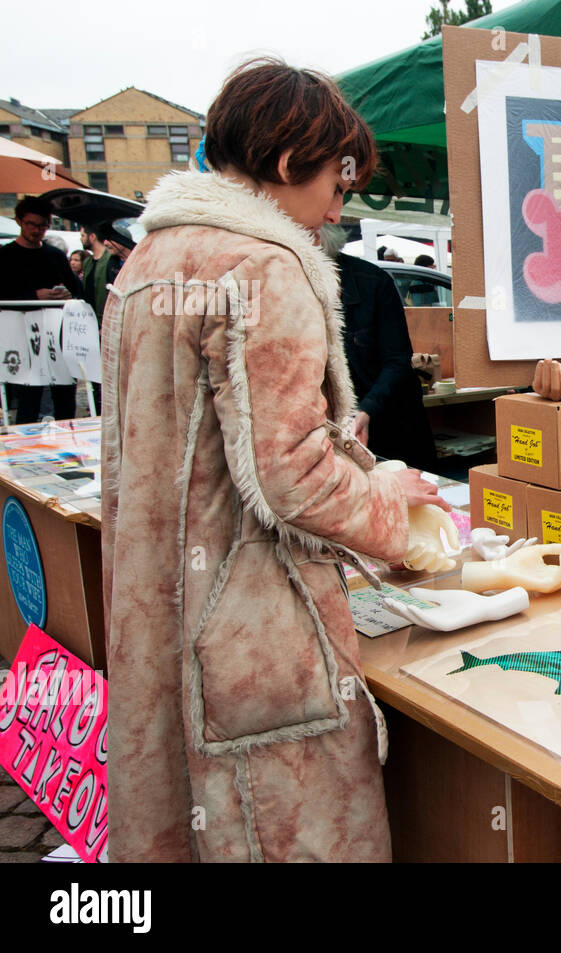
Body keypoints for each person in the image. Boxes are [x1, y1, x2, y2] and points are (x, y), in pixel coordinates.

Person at [100, 57, 447, 862]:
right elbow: (291, 473)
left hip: (161, 612)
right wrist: (391, 505)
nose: (334, 210)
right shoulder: (265, 264)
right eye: (335, 182)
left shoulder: (146, 264)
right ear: (290, 163)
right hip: (253, 628)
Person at [324, 231, 440, 472]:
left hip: (391, 424)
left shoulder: (372, 281)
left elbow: (397, 360)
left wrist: (366, 410)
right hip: (338, 432)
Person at [0, 195, 84, 422]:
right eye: (31, 224)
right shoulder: (6, 256)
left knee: (65, 393)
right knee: (29, 396)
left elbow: (77, 289)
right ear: (19, 221)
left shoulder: (55, 256)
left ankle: (69, 439)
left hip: (57, 334)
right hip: (21, 336)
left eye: (42, 226)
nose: (37, 231)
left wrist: (67, 294)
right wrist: (33, 296)